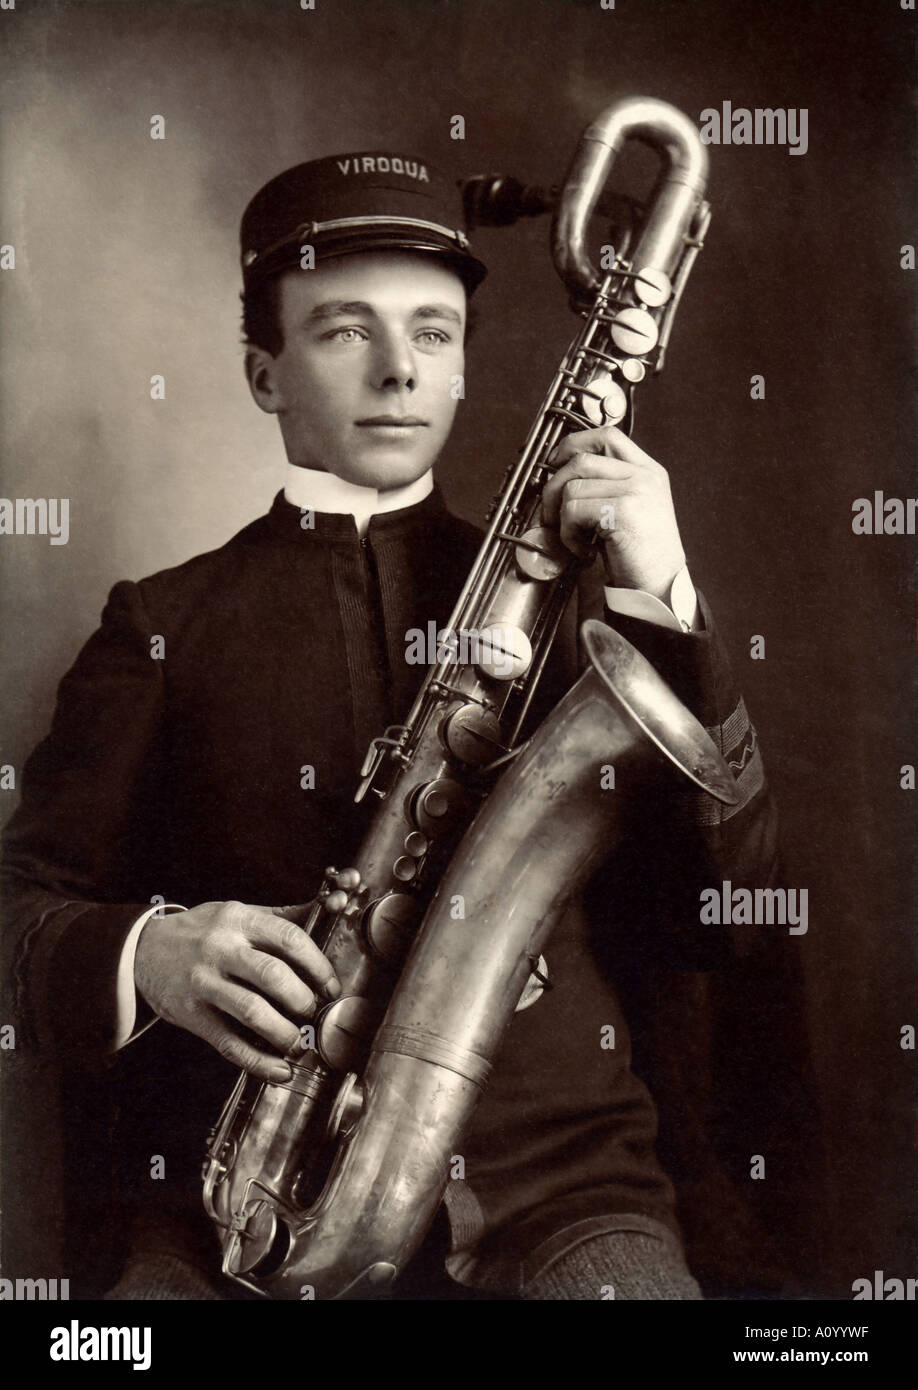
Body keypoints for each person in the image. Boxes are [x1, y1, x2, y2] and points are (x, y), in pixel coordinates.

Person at [2, 151, 789, 1301]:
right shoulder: (160, 623)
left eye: (433, 332)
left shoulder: (590, 598)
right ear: (263, 373)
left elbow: (730, 916)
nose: (396, 373)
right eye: (341, 330)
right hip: (249, 1219)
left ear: (467, 363)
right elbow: (20, 906)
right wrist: (151, 952)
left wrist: (666, 593)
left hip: (562, 1193)